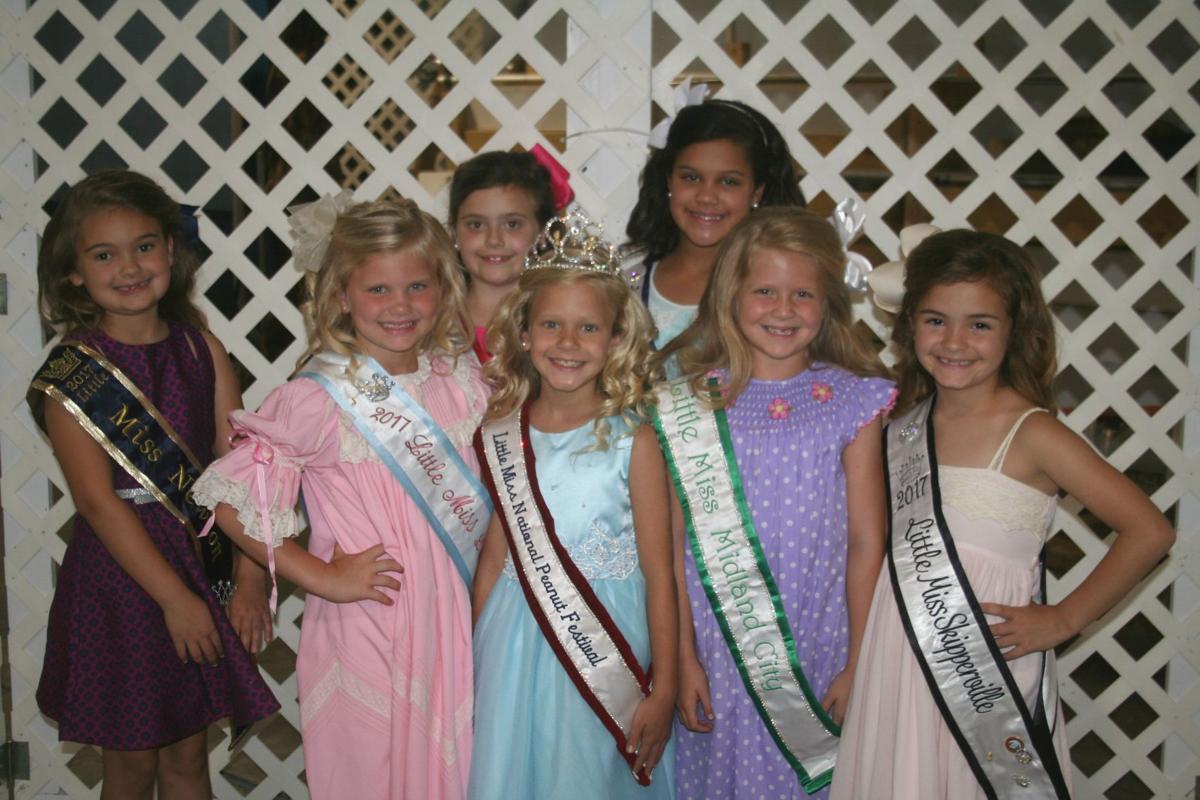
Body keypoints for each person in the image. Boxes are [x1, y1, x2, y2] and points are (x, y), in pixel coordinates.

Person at [831, 228, 1176, 799]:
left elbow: (1150, 530)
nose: (955, 340)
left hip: (987, 668)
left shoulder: (1034, 432)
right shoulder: (898, 430)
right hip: (898, 656)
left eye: (980, 324)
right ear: (909, 322)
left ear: (1014, 332)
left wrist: (1065, 619)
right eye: (936, 319)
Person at [193, 196, 491, 800]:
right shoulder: (316, 397)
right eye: (378, 289)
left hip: (458, 614)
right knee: (370, 770)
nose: (401, 305)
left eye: (417, 286)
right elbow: (229, 502)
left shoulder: (459, 380)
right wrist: (323, 578)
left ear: (443, 288)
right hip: (368, 620)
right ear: (340, 297)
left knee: (457, 770)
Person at [28, 170, 279, 800]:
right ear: (74, 273)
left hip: (196, 563)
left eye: (144, 245)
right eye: (104, 254)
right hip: (123, 583)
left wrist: (249, 577)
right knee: (133, 766)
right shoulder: (73, 375)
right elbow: (95, 501)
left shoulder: (202, 351)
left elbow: (236, 472)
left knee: (189, 759)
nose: (129, 266)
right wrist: (174, 599)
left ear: (171, 250)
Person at [654, 207, 895, 798]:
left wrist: (861, 658)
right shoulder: (689, 406)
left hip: (821, 639)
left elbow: (868, 543)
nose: (784, 310)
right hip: (716, 644)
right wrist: (683, 661)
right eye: (765, 291)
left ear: (828, 303)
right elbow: (673, 547)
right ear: (730, 294)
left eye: (802, 294)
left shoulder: (852, 402)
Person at [470, 211, 677, 799]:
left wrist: (662, 689)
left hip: (612, 633)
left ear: (617, 339)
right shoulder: (500, 433)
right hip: (513, 637)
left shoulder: (632, 438)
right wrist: (476, 655)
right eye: (552, 325)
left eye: (588, 329)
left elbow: (661, 574)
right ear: (525, 332)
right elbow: (493, 560)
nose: (567, 343)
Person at [624, 86, 805, 353]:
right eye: (691, 177)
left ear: (757, 191)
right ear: (668, 180)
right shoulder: (629, 285)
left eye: (729, 182)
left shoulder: (780, 292)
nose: (707, 196)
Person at [448, 147, 566, 362]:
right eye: (476, 224)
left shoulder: (561, 322)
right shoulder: (435, 321)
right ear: (455, 231)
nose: (494, 240)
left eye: (512, 224)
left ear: (542, 234)